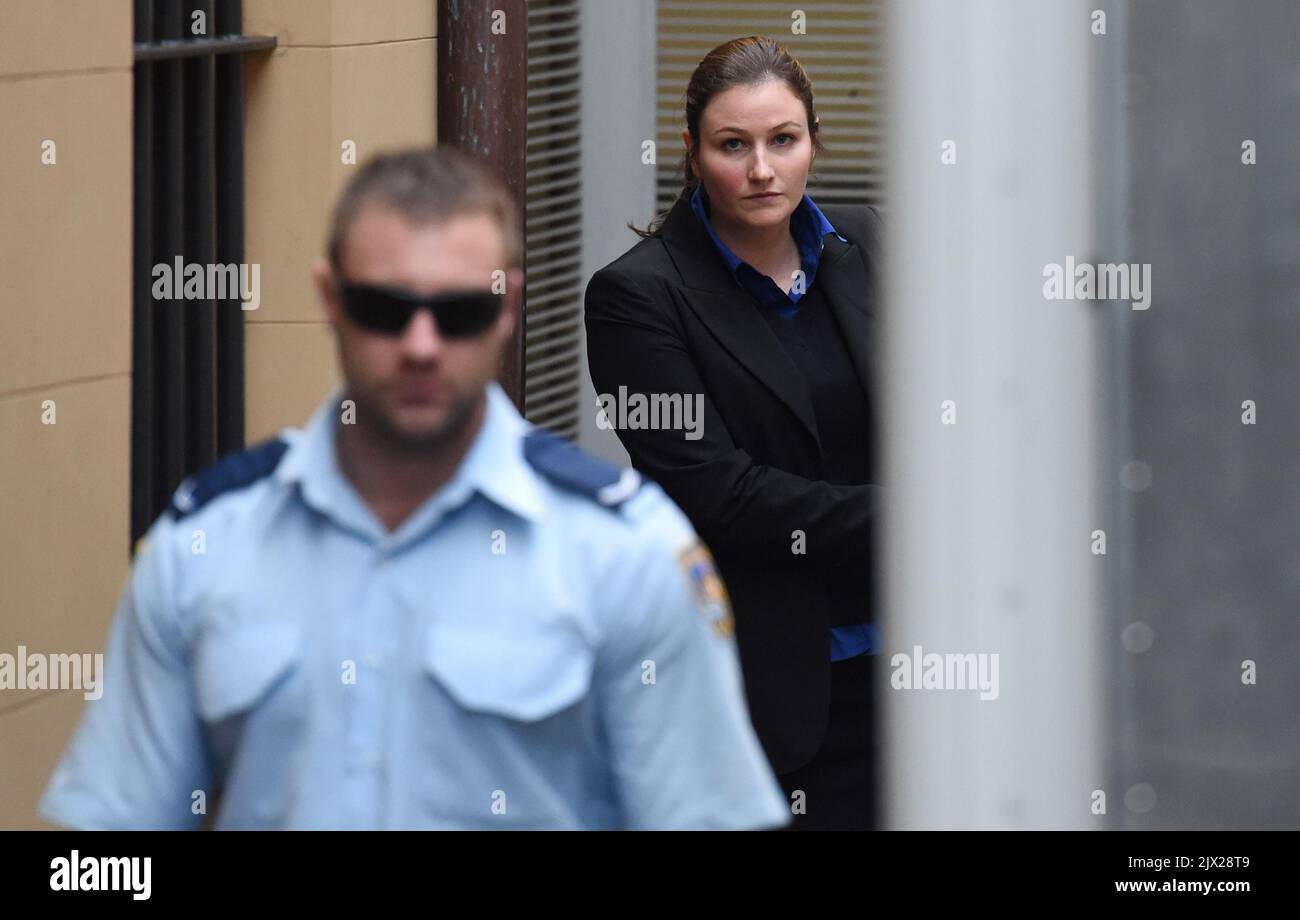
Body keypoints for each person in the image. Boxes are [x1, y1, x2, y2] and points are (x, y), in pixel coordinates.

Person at [39, 146, 788, 831]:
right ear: (330, 299)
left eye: (458, 313)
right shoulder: (207, 542)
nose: (421, 346)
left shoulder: (625, 555)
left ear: (505, 309)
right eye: (385, 310)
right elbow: (110, 846)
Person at [583, 37, 885, 830]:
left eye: (783, 140)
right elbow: (718, 493)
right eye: (732, 145)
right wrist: (913, 522)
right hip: (774, 694)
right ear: (691, 153)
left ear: (814, 140)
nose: (761, 170)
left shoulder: (869, 246)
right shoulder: (636, 298)